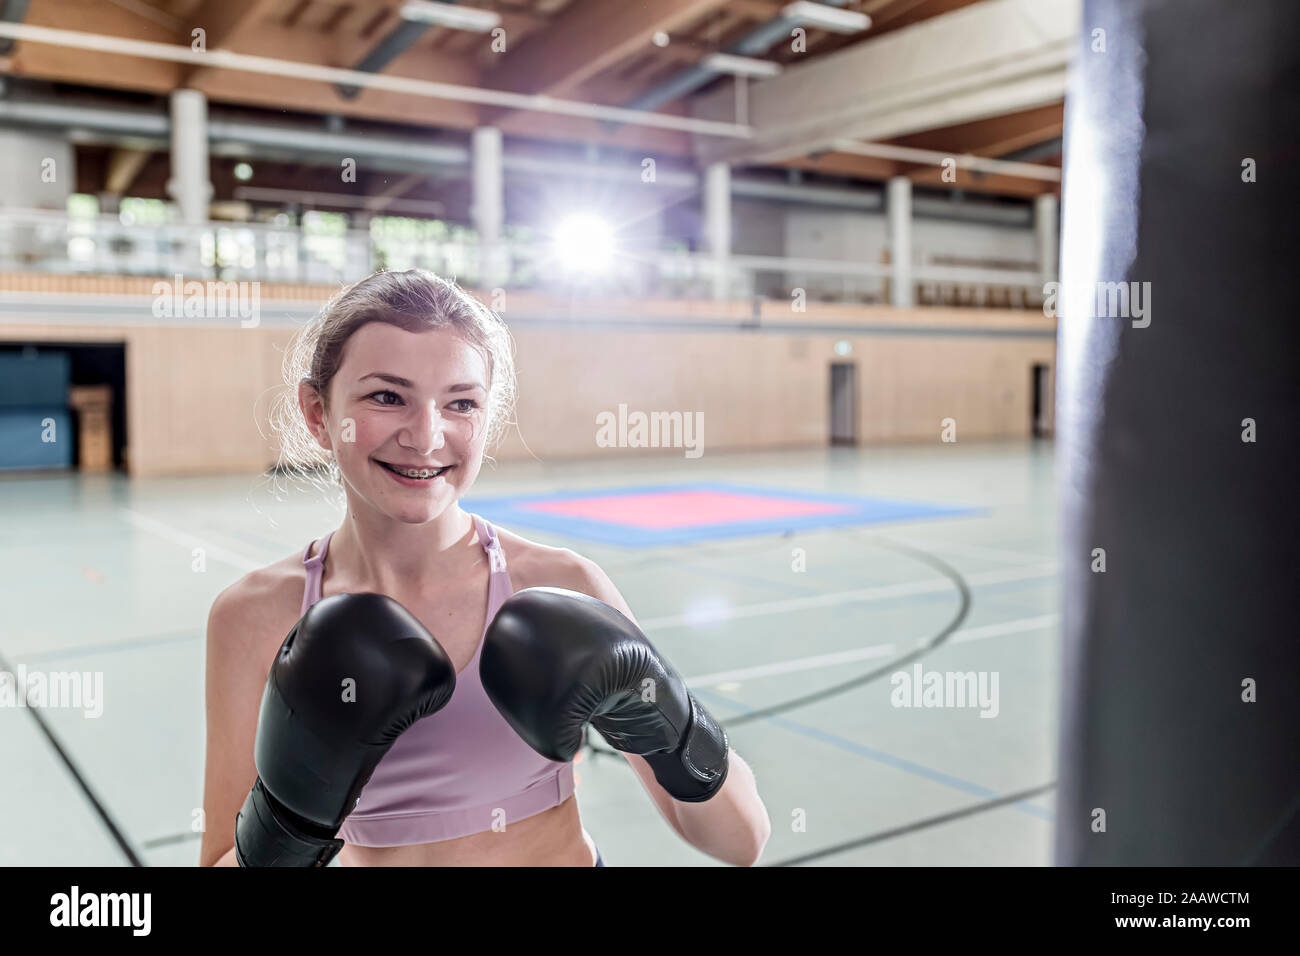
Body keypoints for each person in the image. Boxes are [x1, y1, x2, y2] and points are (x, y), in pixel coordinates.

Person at [199, 269, 771, 867]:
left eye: (460, 403)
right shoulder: (256, 616)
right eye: (386, 396)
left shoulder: (560, 584)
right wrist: (287, 826)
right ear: (318, 413)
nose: (426, 436)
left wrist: (671, 727)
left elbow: (741, 843)